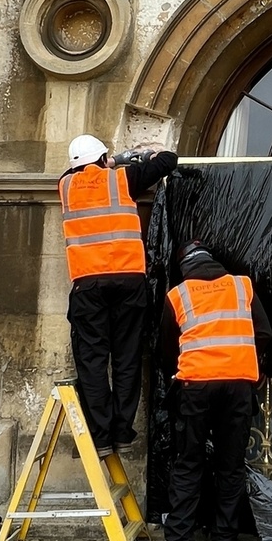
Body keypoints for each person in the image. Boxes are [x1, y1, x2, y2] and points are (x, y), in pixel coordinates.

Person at [58, 134, 178, 459]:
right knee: (126, 359)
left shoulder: (65, 187)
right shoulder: (123, 179)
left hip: (88, 285)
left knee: (93, 362)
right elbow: (169, 160)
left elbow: (74, 173)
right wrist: (143, 154)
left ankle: (101, 438)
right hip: (128, 280)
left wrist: (111, 161)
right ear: (103, 158)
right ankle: (122, 433)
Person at [161, 241, 272, 541]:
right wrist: (250, 362)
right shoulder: (242, 286)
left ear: (184, 268)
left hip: (195, 385)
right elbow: (263, 332)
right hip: (238, 383)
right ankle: (225, 540)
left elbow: (168, 349)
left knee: (189, 461)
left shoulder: (178, 295)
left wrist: (179, 372)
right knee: (230, 463)